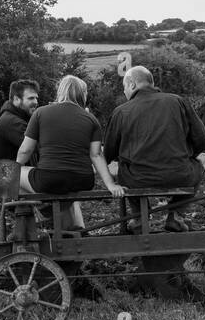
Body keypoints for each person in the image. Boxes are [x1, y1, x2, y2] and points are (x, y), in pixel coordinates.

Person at [103, 65, 205, 231]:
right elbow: (200, 139)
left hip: (137, 179)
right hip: (179, 175)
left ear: (132, 85)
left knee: (123, 170)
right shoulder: (178, 101)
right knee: (198, 167)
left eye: (124, 87)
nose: (125, 92)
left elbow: (109, 152)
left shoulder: (120, 112)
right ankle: (176, 215)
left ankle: (140, 218)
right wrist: (187, 155)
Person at [15, 75, 124, 231]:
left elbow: (25, 149)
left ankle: (33, 225)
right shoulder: (91, 119)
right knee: (67, 194)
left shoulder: (41, 113)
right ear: (82, 94)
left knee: (14, 176)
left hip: (50, 179)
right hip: (83, 180)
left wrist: (14, 168)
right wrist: (110, 184)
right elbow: (96, 155)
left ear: (60, 92)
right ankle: (74, 226)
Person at [0, 79, 39, 194]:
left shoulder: (17, 118)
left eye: (36, 98)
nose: (35, 102)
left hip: (7, 177)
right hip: (3, 182)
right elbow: (38, 146)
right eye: (30, 98)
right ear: (16, 99)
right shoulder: (12, 122)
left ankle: (26, 211)